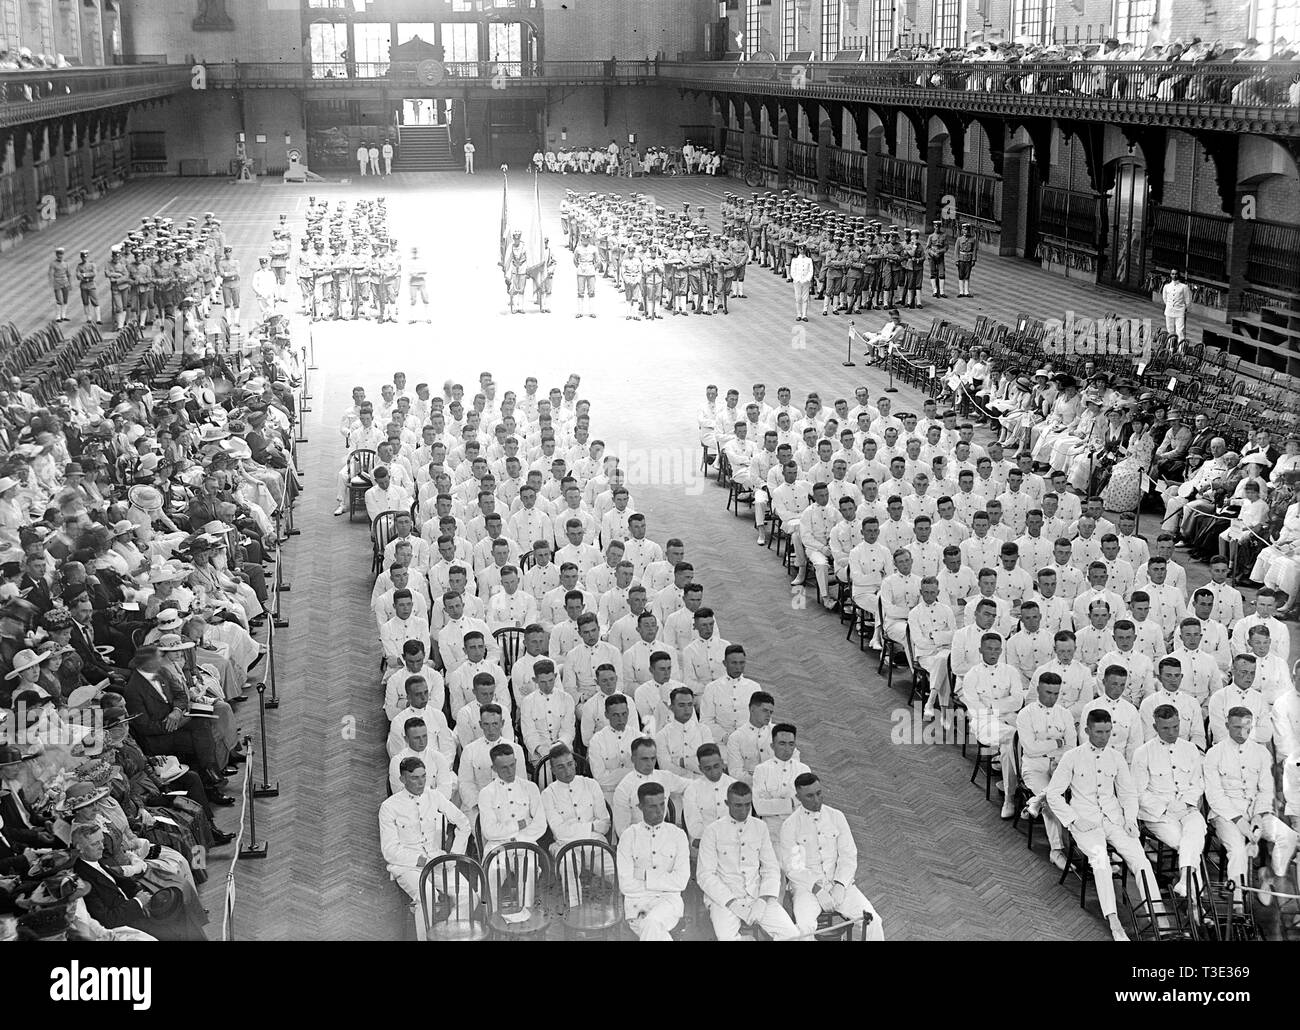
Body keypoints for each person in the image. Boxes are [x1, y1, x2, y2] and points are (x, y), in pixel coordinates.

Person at [1203, 707, 1298, 902]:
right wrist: (1239, 821)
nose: (1241, 732)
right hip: (1226, 815)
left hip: (1257, 812)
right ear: (1227, 725)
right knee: (1237, 850)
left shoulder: (1261, 752)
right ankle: (1238, 903)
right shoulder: (1214, 754)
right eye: (1236, 727)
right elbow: (1215, 796)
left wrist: (1258, 816)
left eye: (1246, 727)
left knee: (1288, 837)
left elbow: (1266, 790)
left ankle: (1270, 877)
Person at [780, 772, 884, 940]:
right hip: (807, 889)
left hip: (840, 885)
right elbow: (792, 867)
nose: (816, 800)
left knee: (873, 921)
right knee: (805, 929)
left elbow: (848, 855)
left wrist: (840, 884)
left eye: (819, 793)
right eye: (809, 796)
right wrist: (817, 889)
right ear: (798, 797)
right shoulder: (789, 826)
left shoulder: (836, 816)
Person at [378, 757, 472, 939]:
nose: (421, 782)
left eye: (423, 776)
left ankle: (448, 935)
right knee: (427, 895)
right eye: (414, 778)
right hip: (407, 866)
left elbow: (464, 823)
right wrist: (422, 861)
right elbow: (390, 851)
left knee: (469, 895)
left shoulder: (434, 796)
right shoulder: (389, 807)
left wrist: (453, 855)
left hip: (437, 860)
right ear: (403, 779)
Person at [696, 781, 800, 940]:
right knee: (727, 938)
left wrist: (763, 900)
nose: (744, 810)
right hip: (724, 900)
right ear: (727, 803)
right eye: (738, 805)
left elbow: (771, 868)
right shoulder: (712, 831)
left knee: (792, 935)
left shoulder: (760, 827)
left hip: (757, 895)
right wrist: (731, 903)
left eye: (747, 805)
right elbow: (705, 875)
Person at [1131, 706, 1206, 898]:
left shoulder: (1190, 749)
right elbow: (1138, 792)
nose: (1172, 733)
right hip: (1158, 816)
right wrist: (1164, 809)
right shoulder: (1143, 753)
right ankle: (1195, 899)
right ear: (1155, 727)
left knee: (1197, 829)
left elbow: (1198, 783)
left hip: (1187, 809)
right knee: (1188, 844)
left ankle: (1185, 884)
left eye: (1175, 727)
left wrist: (1186, 803)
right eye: (1165, 728)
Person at [617, 781, 690, 940]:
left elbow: (681, 881)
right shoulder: (629, 836)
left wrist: (643, 875)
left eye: (662, 804)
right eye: (652, 806)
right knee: (652, 926)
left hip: (668, 904)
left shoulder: (678, 835)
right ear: (640, 807)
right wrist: (664, 883)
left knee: (651, 924)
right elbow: (625, 885)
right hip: (637, 906)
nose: (659, 811)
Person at [1161, 269, 1191, 345]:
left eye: (1176, 274)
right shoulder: (1166, 286)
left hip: (1180, 311)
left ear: (1178, 275)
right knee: (1170, 330)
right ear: (1170, 275)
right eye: (1172, 274)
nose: (1174, 275)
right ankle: (1171, 347)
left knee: (1180, 331)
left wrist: (1184, 308)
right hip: (1169, 311)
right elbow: (1165, 298)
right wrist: (1170, 306)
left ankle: (1181, 348)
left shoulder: (1184, 287)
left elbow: (1187, 300)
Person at [790, 245, 813, 322]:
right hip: (798, 281)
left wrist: (807, 279)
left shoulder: (809, 260)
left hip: (806, 281)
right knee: (798, 298)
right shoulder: (795, 260)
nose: (802, 251)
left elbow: (810, 271)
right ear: (798, 250)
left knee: (805, 298)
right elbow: (793, 271)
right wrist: (797, 279)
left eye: (803, 249)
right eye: (800, 249)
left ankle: (804, 315)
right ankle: (799, 314)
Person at [407, 246, 429, 324]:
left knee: (425, 299)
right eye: (413, 252)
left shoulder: (421, 260)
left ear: (417, 252)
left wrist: (417, 273)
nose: (414, 253)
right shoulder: (409, 261)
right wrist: (416, 272)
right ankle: (412, 318)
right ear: (412, 253)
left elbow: (425, 271)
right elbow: (409, 272)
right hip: (413, 282)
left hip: (421, 281)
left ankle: (427, 318)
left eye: (415, 252)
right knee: (413, 300)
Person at [954, 222, 977, 297]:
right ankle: (961, 291)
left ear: (969, 230)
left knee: (967, 275)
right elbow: (956, 250)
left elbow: (974, 250)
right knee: (961, 275)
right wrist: (957, 260)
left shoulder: (973, 239)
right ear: (962, 230)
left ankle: (966, 291)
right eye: (964, 230)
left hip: (969, 259)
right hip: (961, 259)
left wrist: (973, 259)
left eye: (967, 230)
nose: (965, 231)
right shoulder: (959, 239)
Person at [48, 246, 71, 322]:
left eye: (61, 254)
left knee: (65, 299)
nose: (60, 256)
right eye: (59, 254)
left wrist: (70, 283)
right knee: (59, 300)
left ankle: (63, 316)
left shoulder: (66, 263)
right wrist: (51, 282)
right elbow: (50, 273)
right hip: (57, 283)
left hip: (65, 282)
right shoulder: (53, 264)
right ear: (56, 254)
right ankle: (58, 317)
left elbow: (68, 274)